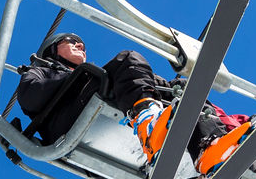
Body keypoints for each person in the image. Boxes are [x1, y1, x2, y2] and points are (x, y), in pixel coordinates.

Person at [15, 32, 175, 146]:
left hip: (97, 103)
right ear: (52, 50)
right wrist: (75, 77)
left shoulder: (89, 76)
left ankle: (198, 144)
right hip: (68, 121)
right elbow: (30, 96)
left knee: (154, 81)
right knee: (128, 59)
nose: (81, 46)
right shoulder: (42, 72)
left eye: (82, 46)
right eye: (71, 41)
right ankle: (148, 121)